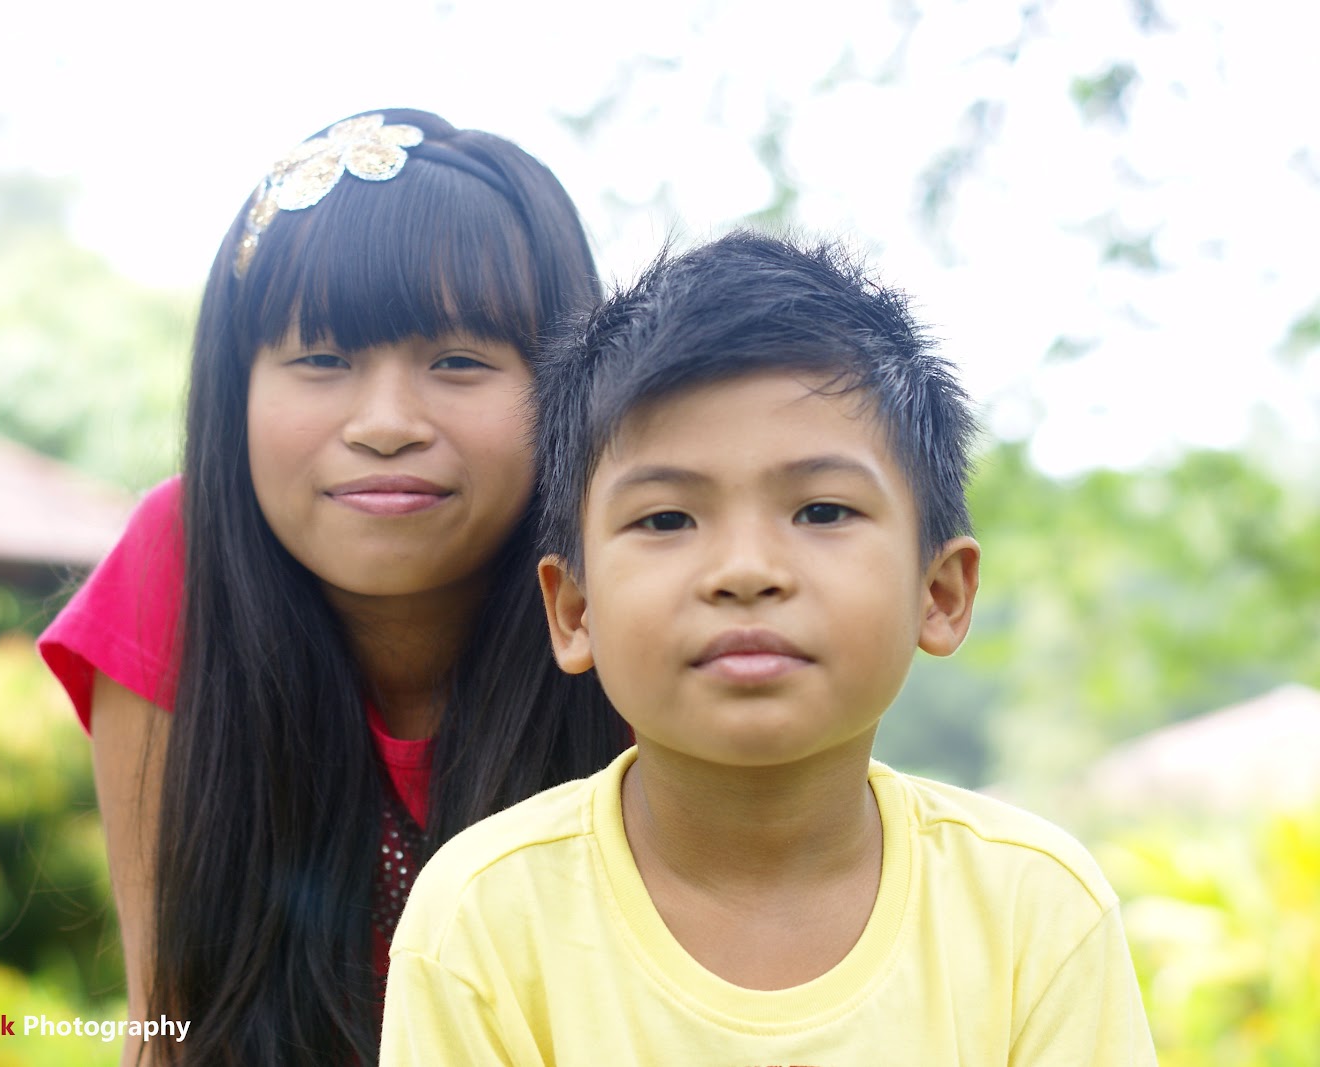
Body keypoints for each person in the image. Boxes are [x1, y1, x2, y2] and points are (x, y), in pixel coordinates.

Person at [380, 231, 1158, 1064]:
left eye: (822, 511)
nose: (745, 571)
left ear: (940, 592)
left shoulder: (1033, 909)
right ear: (574, 611)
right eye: (667, 519)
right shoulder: (485, 918)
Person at [37, 109, 627, 1066]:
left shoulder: (642, 586)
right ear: (237, 389)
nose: (386, 422)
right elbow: (167, 1019)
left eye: (459, 362)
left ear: (565, 388)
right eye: (321, 359)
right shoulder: (176, 563)